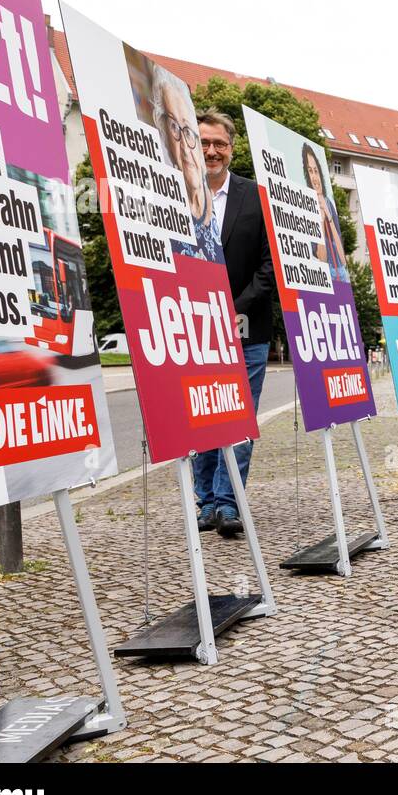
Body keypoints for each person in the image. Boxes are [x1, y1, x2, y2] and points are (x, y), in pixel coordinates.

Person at [190, 109, 276, 538]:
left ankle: (228, 504)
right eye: (204, 142)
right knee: (204, 415)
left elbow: (269, 267)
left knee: (238, 418)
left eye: (219, 143)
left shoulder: (256, 197)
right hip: (192, 329)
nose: (211, 151)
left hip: (247, 327)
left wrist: (231, 309)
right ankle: (205, 500)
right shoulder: (174, 195)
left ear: (232, 147)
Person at [151, 65, 220, 263]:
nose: (185, 146)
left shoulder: (216, 202)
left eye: (188, 130)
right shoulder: (164, 208)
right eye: (173, 127)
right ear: (164, 134)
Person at [304, 144, 348, 284]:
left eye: (316, 171)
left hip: (341, 272)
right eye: (310, 171)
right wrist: (320, 221)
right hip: (325, 275)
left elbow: (342, 258)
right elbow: (321, 258)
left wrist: (328, 217)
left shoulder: (328, 202)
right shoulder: (306, 204)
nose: (315, 177)